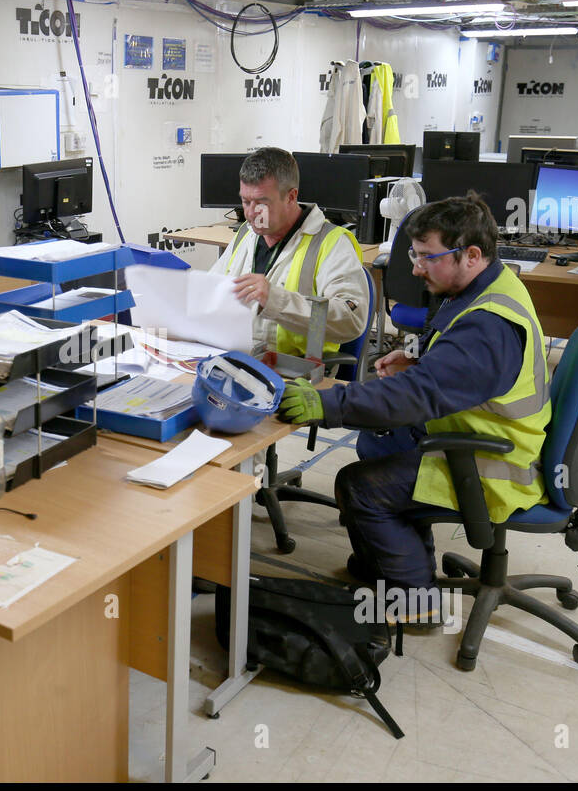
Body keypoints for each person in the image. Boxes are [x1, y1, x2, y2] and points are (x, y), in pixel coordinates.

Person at [277, 193, 552, 617]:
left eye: (427, 256)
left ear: (471, 254)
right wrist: (417, 354)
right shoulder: (490, 283)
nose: (415, 267)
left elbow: (413, 396)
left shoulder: (490, 325)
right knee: (376, 444)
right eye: (413, 253)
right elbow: (450, 351)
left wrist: (327, 404)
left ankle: (414, 605)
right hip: (475, 433)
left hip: (492, 463)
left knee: (360, 486)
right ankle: (388, 562)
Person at [210, 147, 369, 358]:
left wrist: (275, 300)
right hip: (237, 359)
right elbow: (210, 292)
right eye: (246, 201)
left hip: (297, 373)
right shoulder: (245, 235)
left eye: (262, 203)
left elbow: (351, 320)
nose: (250, 213)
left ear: (291, 196)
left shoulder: (331, 243)